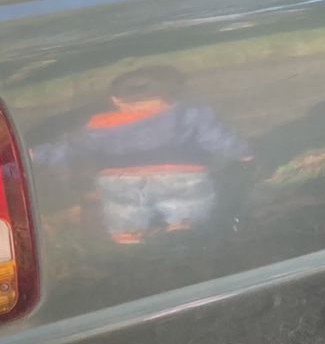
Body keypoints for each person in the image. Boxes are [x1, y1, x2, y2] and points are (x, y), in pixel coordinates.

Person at [37, 66, 250, 244]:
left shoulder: (101, 125)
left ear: (116, 100)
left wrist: (36, 155)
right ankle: (181, 230)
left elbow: (73, 149)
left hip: (120, 181)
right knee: (184, 208)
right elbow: (216, 138)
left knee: (125, 210)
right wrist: (243, 152)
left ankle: (128, 236)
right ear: (170, 98)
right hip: (181, 176)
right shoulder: (189, 113)